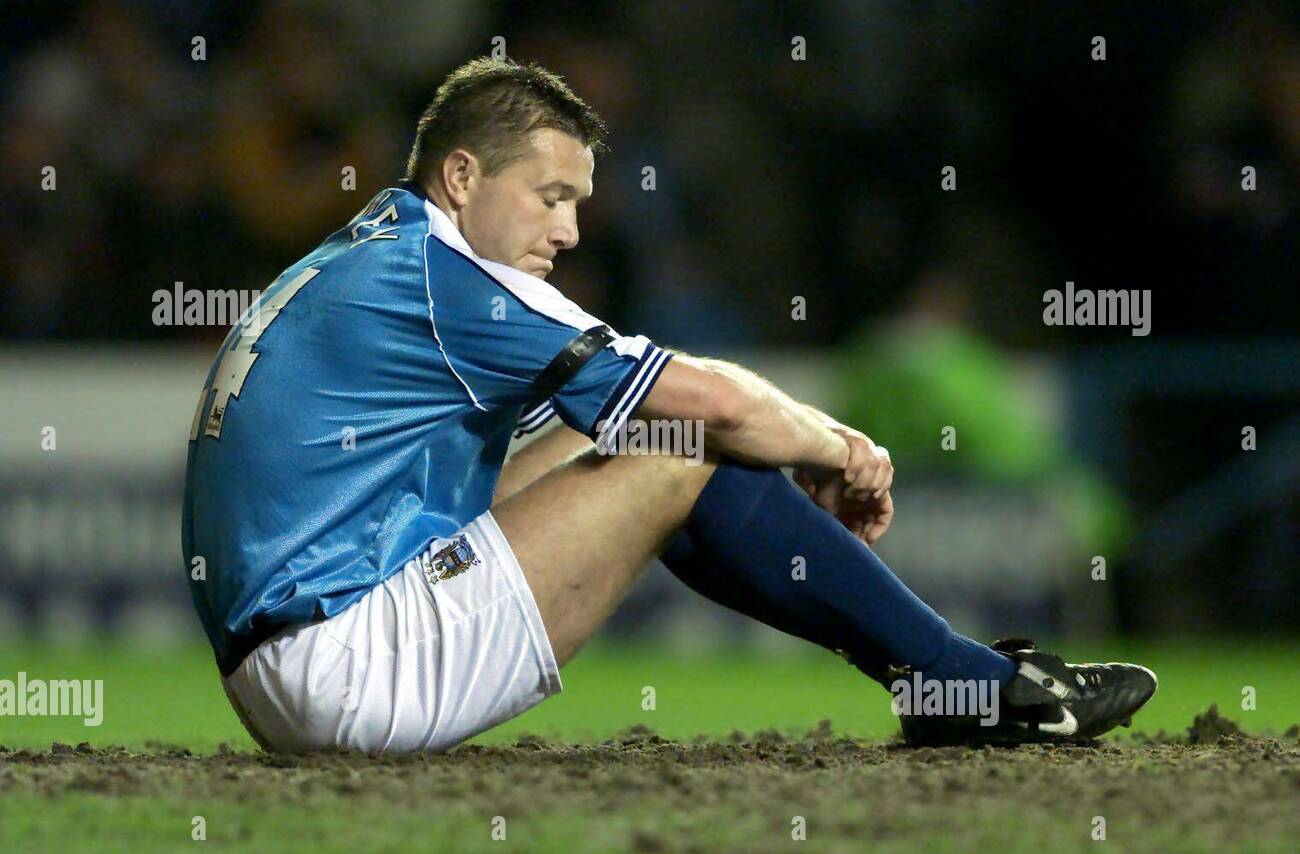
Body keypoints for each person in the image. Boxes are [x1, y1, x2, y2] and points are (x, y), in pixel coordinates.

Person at [182, 57, 1156, 754]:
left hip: (292, 660)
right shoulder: (443, 276)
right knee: (682, 442)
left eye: (579, 201)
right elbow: (705, 400)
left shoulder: (366, 253)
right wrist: (836, 444)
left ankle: (937, 678)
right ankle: (964, 683)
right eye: (549, 195)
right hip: (343, 668)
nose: (567, 229)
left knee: (629, 427)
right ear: (464, 176)